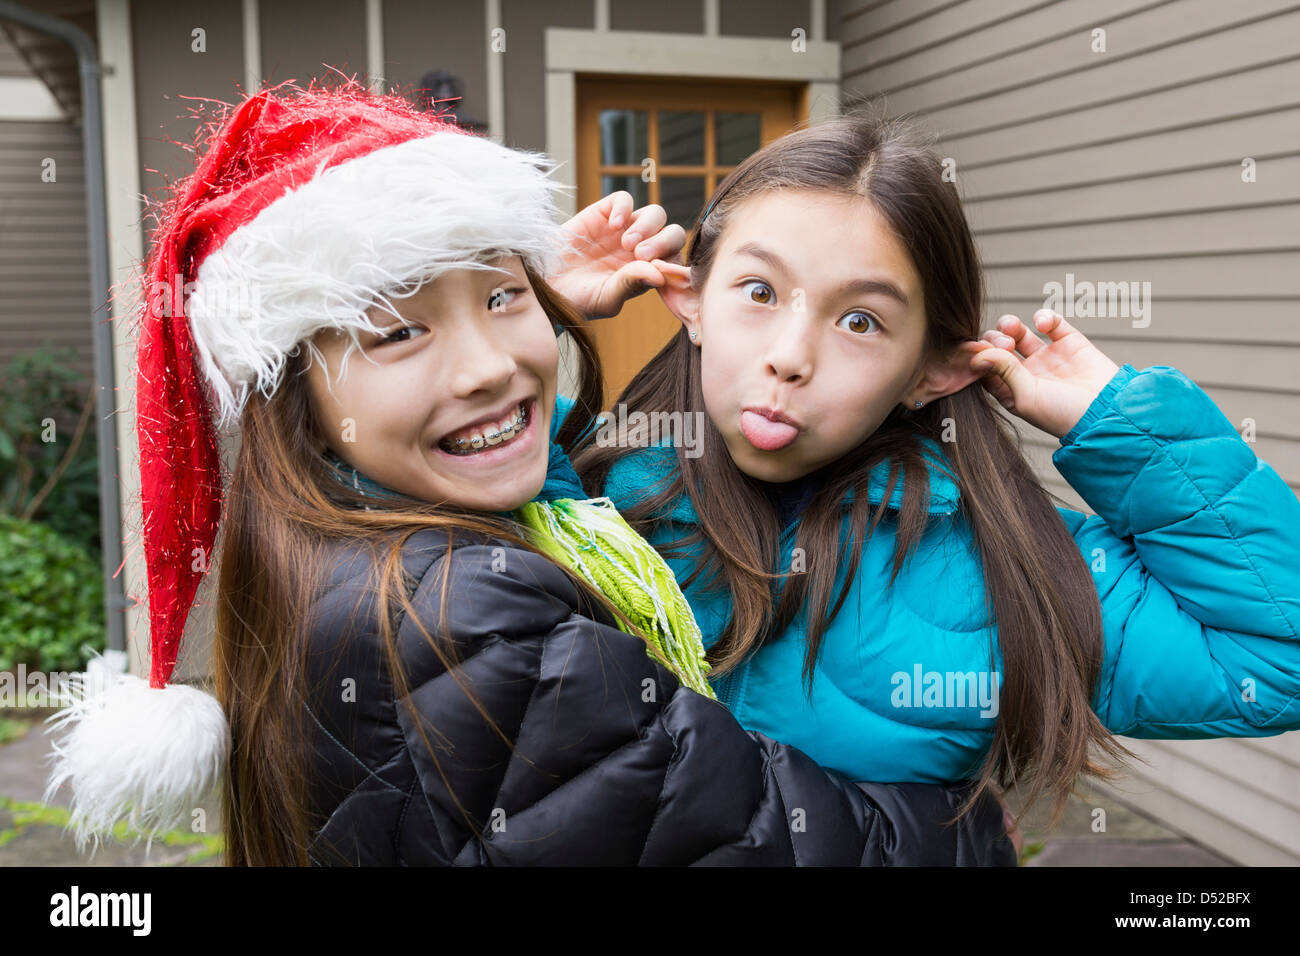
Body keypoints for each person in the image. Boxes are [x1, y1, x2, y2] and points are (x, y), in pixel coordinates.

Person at [43, 81, 1018, 866]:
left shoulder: (352, 548)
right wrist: (965, 831)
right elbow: (758, 835)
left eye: (501, 293)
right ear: (296, 397)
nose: (489, 364)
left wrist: (548, 302)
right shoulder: (467, 621)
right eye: (398, 330)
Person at [575, 109, 1300, 831]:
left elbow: (1273, 657)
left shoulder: (1005, 564)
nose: (790, 356)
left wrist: (1121, 427)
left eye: (860, 320)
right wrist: (539, 311)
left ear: (933, 371)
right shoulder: (583, 504)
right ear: (691, 299)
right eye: (760, 292)